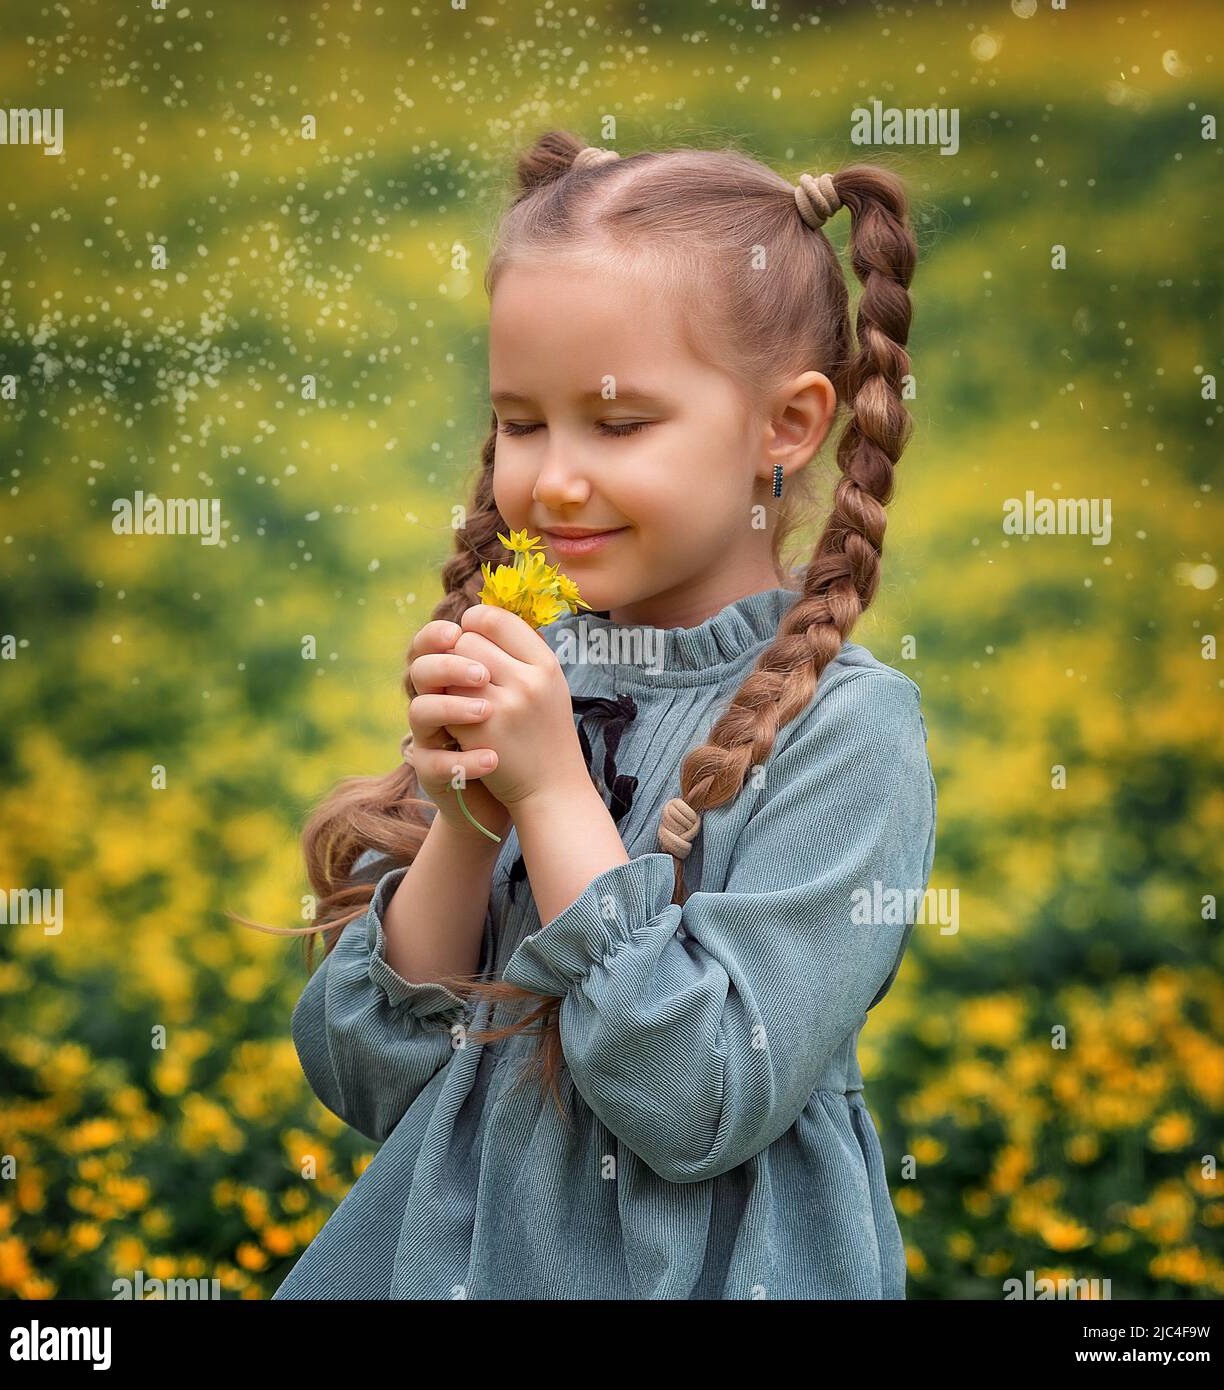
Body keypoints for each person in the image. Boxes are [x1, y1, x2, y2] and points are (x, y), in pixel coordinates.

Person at [267, 131, 937, 1299]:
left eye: (617, 425)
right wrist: (467, 828)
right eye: (521, 422)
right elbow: (371, 1081)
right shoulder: (535, 667)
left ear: (786, 427)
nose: (553, 478)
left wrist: (554, 794)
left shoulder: (849, 736)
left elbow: (698, 1100)